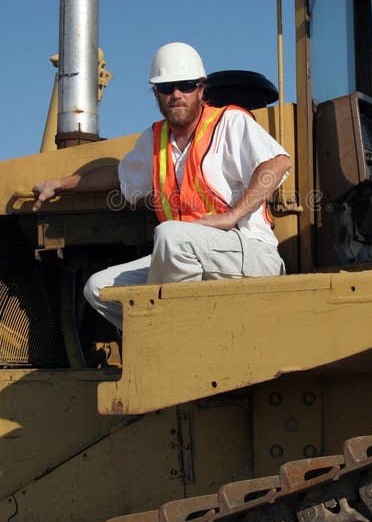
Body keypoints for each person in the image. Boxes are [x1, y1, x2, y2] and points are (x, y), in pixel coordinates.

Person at [33, 42, 291, 329]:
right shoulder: (154, 139)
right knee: (99, 289)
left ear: (202, 89)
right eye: (167, 87)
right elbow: (119, 175)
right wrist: (61, 183)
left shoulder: (230, 122)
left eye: (186, 85)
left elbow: (277, 163)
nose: (177, 94)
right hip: (184, 253)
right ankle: (159, 339)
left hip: (250, 252)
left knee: (169, 235)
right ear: (156, 93)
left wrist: (232, 215)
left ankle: (179, 342)